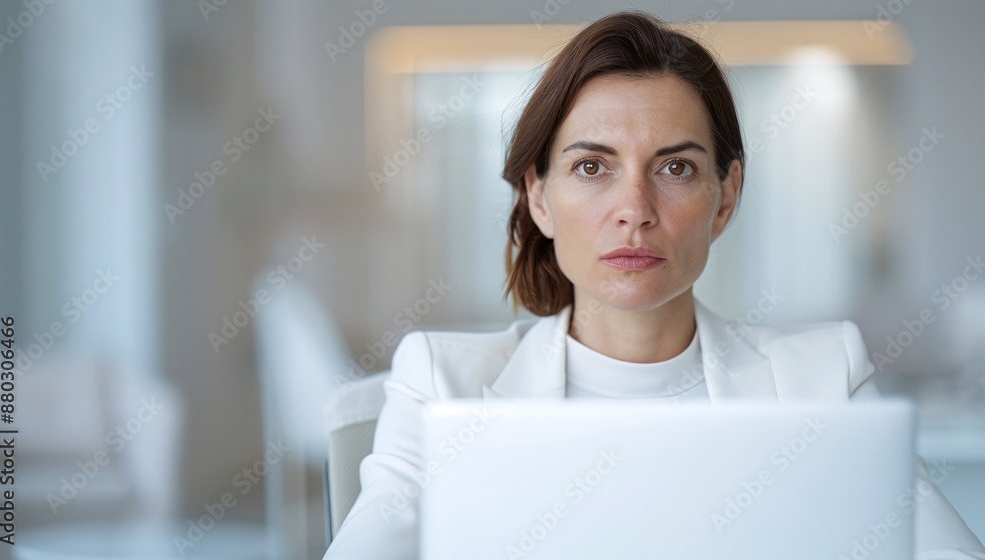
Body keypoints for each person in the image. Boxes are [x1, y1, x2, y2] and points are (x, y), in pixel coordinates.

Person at [323, 11, 985, 559]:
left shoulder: (826, 375)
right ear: (540, 198)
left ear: (726, 198)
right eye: (591, 167)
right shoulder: (442, 384)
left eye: (674, 167)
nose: (634, 208)